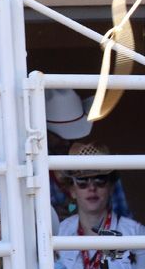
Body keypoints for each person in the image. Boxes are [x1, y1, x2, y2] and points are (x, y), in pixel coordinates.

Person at [56, 142, 145, 269]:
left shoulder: (138, 234)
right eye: (82, 181)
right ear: (72, 190)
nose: (92, 188)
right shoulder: (57, 234)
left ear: (111, 186)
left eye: (100, 180)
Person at [45, 88, 133, 222]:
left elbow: (123, 216)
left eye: (72, 135)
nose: (67, 141)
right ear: (44, 132)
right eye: (59, 136)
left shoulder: (98, 161)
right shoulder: (34, 164)